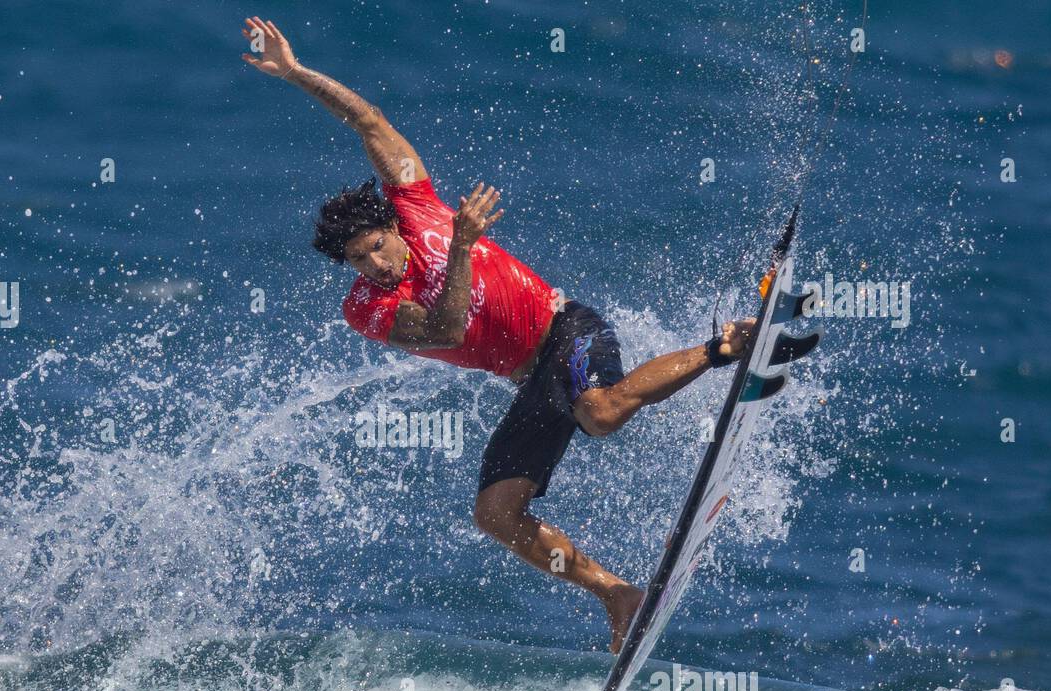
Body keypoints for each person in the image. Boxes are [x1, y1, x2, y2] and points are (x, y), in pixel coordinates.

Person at [241, 17, 753, 652]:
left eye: (375, 246)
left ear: (392, 228)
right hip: (532, 378)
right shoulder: (367, 308)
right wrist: (461, 248)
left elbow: (369, 122)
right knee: (495, 514)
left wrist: (295, 73)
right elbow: (445, 327)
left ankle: (723, 347)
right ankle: (618, 594)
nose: (373, 265)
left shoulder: (417, 206)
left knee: (598, 412)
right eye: (357, 260)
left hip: (566, 328)